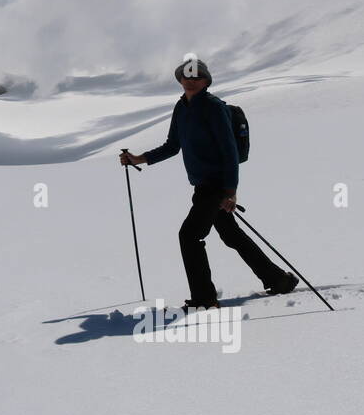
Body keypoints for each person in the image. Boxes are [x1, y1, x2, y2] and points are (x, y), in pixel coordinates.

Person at [119, 59, 297, 309]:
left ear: (206, 81)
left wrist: (231, 191)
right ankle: (278, 280)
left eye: (197, 77)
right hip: (203, 185)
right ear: (180, 79)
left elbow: (229, 151)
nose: (191, 80)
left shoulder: (213, 108)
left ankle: (204, 299)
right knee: (231, 235)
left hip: (216, 184)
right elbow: (172, 146)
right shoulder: (181, 107)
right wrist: (139, 159)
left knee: (189, 236)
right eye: (186, 76)